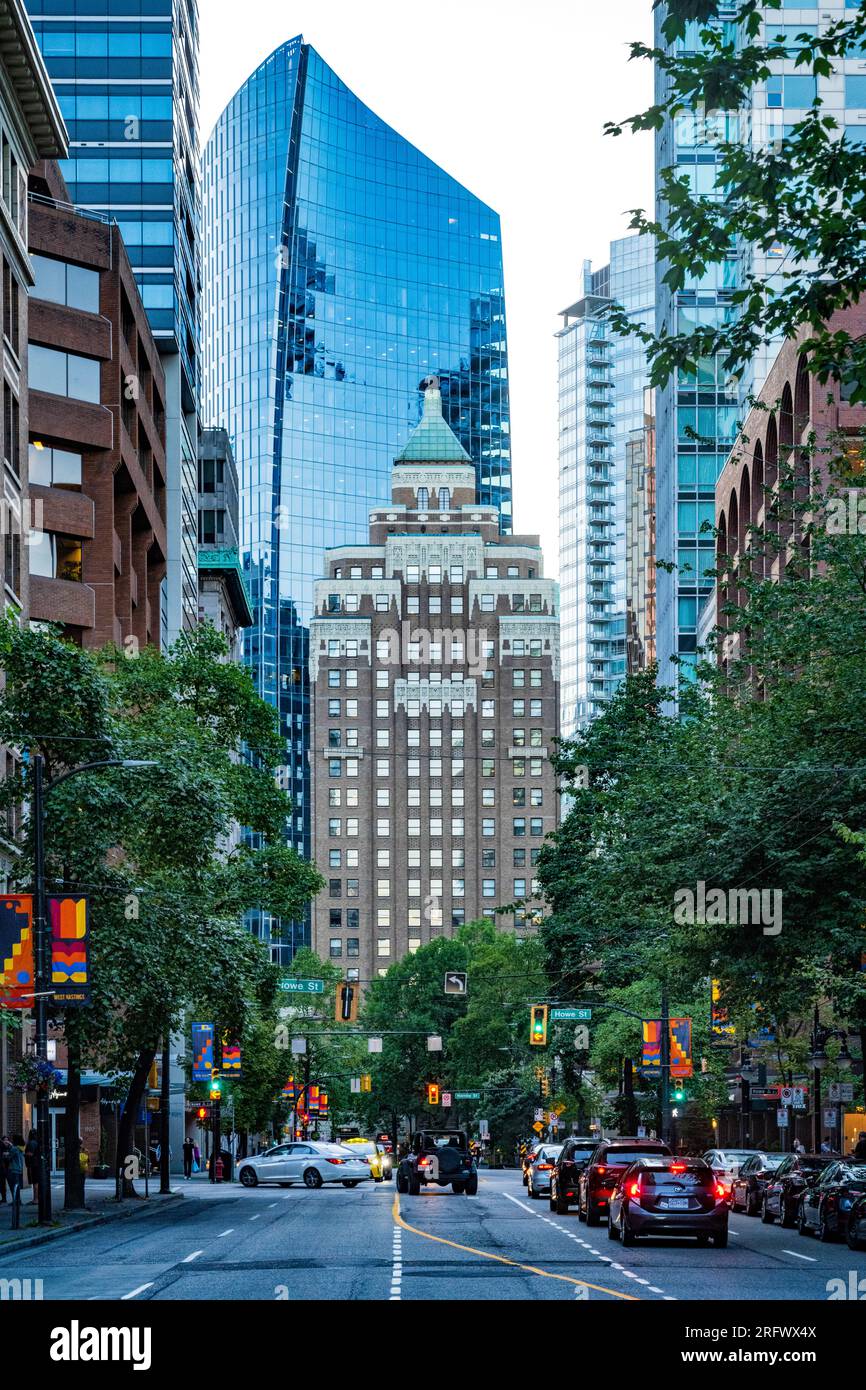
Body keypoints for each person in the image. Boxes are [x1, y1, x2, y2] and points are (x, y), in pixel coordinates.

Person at [24, 1129, 40, 1204]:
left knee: (35, 1182)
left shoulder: (31, 1143)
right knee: (36, 1182)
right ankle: (36, 1198)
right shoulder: (36, 1142)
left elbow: (30, 1154)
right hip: (36, 1164)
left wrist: (24, 1154)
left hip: (33, 1165)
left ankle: (36, 1199)